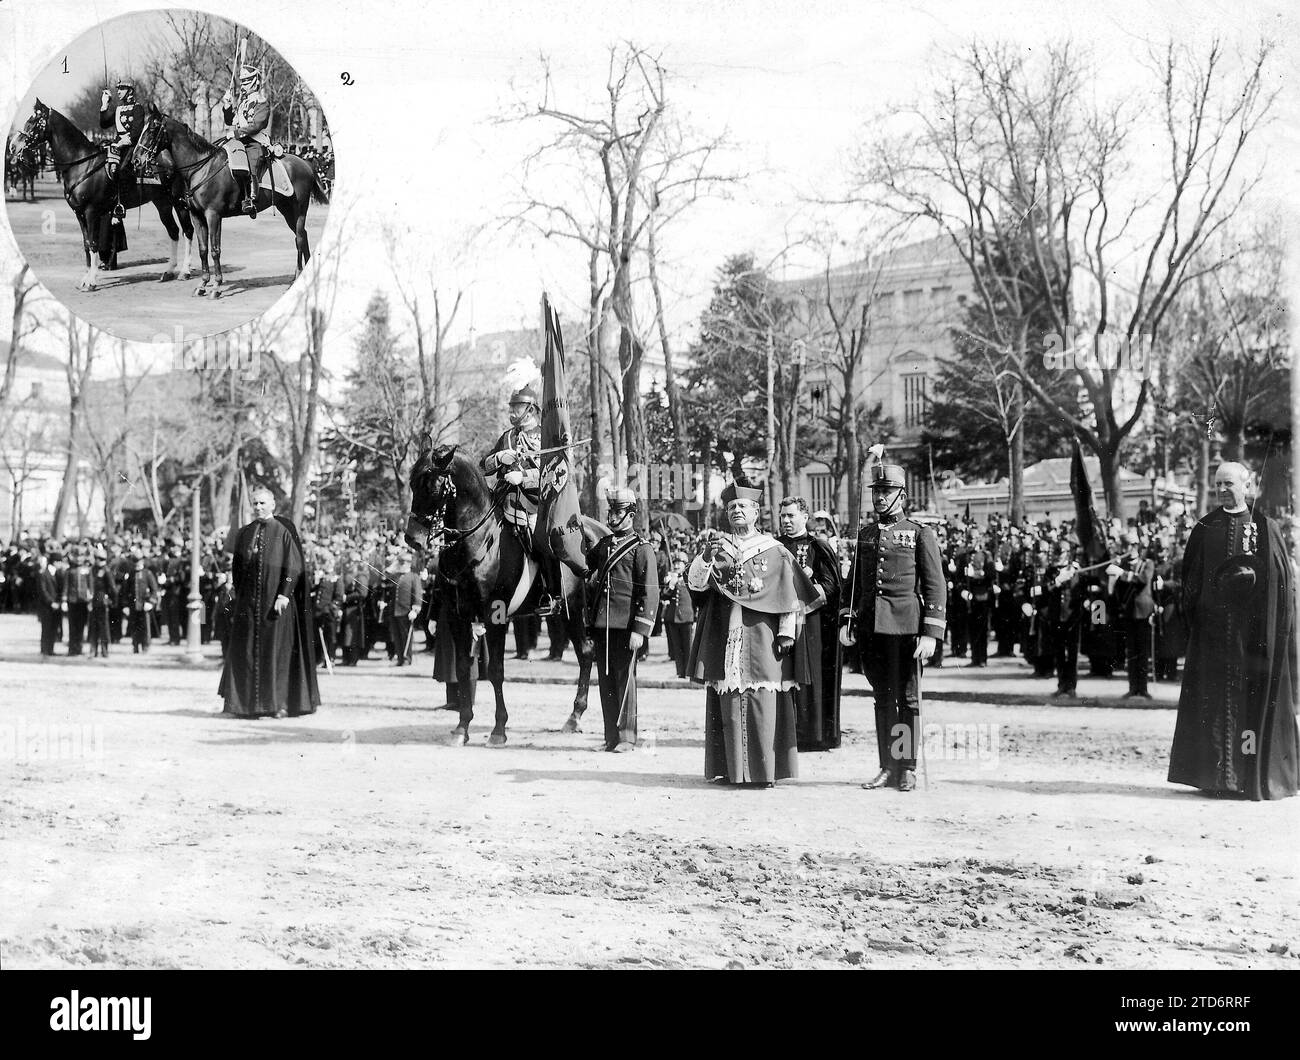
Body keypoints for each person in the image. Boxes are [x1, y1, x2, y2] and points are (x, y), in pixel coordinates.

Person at [1168, 462, 1297, 800]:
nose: (1222, 490)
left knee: (1248, 706)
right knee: (1212, 706)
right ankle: (1213, 778)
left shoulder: (1265, 527)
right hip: (1213, 638)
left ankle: (1246, 778)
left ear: (1247, 484)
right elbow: (1190, 581)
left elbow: (1281, 584)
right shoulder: (1204, 526)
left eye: (1228, 483)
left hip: (1251, 640)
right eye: (1217, 485)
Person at [686, 479, 819, 786]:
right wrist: (706, 558)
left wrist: (787, 633)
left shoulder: (775, 550)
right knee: (728, 691)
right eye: (732, 507)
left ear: (756, 512)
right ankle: (732, 771)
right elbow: (695, 583)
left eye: (743, 506)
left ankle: (764, 772)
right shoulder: (719, 547)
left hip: (763, 631)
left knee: (763, 695)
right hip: (726, 630)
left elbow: (790, 596)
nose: (737, 512)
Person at [838, 464, 946, 792]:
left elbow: (935, 585)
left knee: (909, 700)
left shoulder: (919, 533)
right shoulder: (867, 534)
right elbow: (855, 583)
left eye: (886, 491)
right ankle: (887, 766)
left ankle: (907, 767)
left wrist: (931, 633)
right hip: (873, 629)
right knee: (882, 699)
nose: (879, 497)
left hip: (907, 630)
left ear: (902, 494)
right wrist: (848, 619)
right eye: (876, 491)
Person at [218, 486, 320, 719]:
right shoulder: (245, 533)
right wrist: (237, 594)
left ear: (273, 505)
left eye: (263, 503)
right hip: (249, 606)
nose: (258, 507)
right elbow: (238, 568)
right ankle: (246, 706)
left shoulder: (283, 530)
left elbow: (293, 566)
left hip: (276, 606)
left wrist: (284, 594)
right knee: (247, 654)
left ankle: (278, 704)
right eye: (255, 503)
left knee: (277, 655)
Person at [583, 486, 658, 751]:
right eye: (610, 512)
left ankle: (626, 737)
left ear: (631, 515)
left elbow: (649, 592)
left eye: (618, 513)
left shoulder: (642, 549)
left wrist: (640, 629)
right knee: (605, 681)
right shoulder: (604, 545)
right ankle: (610, 737)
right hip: (602, 626)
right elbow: (584, 566)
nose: (612, 518)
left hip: (626, 627)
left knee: (625, 680)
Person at [481, 384, 558, 615]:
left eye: (517, 407)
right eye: (511, 407)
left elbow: (554, 474)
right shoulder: (506, 437)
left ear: (531, 409)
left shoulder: (546, 436)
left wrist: (523, 477)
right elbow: (483, 467)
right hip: (502, 501)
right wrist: (498, 457)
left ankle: (550, 593)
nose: (512, 412)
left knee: (542, 543)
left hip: (532, 505)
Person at [777, 495, 843, 751]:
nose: (786, 520)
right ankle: (785, 731)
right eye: (783, 516)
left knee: (810, 674)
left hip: (810, 621)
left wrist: (806, 596)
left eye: (791, 515)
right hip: (779, 620)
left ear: (805, 517)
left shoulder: (818, 546)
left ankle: (813, 735)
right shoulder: (774, 545)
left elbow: (832, 584)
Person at [221, 65, 272, 218]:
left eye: (247, 81)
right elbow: (231, 121)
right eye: (242, 82)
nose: (243, 85)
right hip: (238, 140)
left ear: (255, 82)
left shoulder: (261, 101)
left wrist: (236, 133)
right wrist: (227, 105)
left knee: (251, 164)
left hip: (255, 141)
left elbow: (257, 125)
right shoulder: (243, 102)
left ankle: (251, 199)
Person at [1111, 531, 1155, 699]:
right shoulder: (1123, 564)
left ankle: (1143, 688)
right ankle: (1132, 687)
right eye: (1126, 546)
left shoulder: (1147, 563)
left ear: (1137, 546)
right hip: (1129, 611)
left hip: (1143, 612)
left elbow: (1143, 580)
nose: (1129, 549)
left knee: (1142, 652)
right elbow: (1118, 590)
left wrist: (1122, 574)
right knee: (1131, 652)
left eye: (1132, 545)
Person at [661, 552, 695, 679]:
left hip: (687, 617)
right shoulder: (671, 580)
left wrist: (695, 617)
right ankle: (680, 672)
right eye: (674, 563)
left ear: (685, 565)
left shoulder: (690, 579)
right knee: (677, 648)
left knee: (688, 647)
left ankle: (688, 672)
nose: (676, 566)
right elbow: (664, 595)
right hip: (673, 617)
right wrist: (671, 584)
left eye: (679, 563)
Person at [120, 552, 160, 654]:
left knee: (145, 627)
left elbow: (154, 590)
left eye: (138, 561)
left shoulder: (148, 573)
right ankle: (135, 646)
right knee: (134, 626)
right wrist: (125, 606)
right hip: (133, 605)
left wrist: (151, 602)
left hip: (145, 604)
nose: (137, 564)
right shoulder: (130, 574)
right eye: (135, 562)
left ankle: (146, 646)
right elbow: (125, 591)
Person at [391, 551, 424, 666]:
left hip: (406, 611)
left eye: (403, 562)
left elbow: (417, 595)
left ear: (409, 563)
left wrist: (415, 610)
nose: (401, 564)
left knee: (406, 637)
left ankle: (407, 658)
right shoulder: (396, 576)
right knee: (397, 636)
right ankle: (400, 658)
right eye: (400, 562)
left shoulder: (413, 576)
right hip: (395, 611)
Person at [35, 551, 59, 659]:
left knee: (54, 628)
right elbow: (43, 591)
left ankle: (51, 649)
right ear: (55, 562)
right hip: (46, 606)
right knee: (46, 628)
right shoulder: (43, 574)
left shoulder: (58, 573)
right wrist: (51, 602)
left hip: (56, 605)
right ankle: (44, 649)